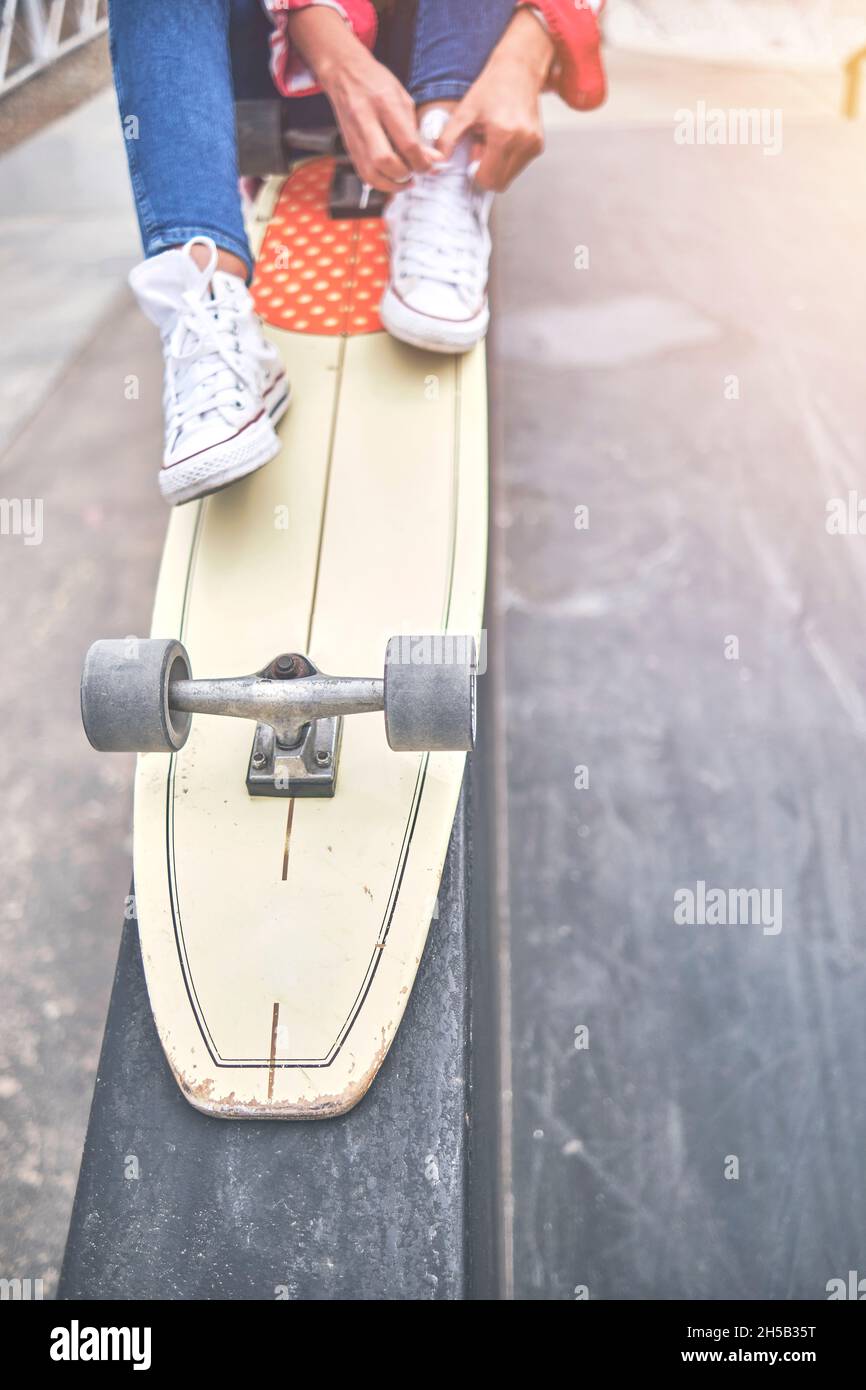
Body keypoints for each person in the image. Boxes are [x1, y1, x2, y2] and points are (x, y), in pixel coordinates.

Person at [109, 0, 605, 505]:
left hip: (442, 46)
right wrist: (330, 49)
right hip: (269, 47)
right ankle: (207, 289)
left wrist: (529, 45)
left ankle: (442, 161)